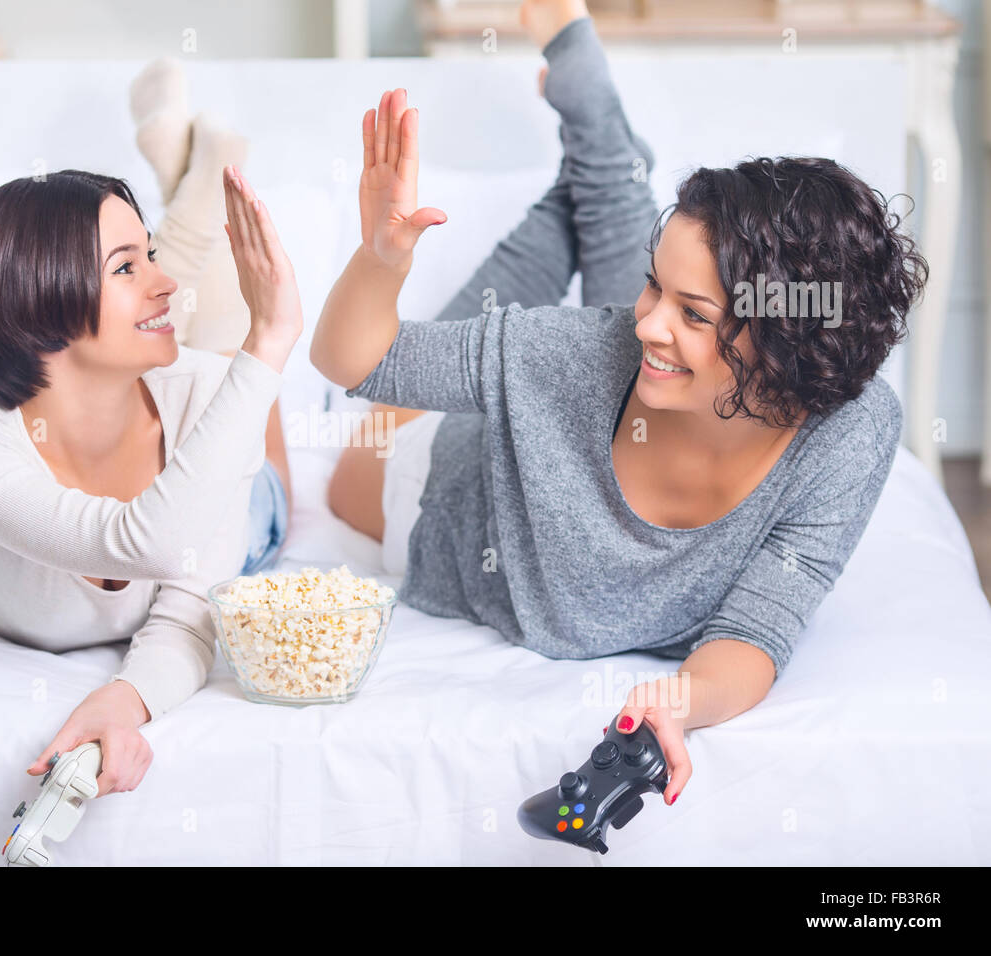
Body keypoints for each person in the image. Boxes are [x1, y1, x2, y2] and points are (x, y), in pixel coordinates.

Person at [312, 1, 927, 807]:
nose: (650, 321)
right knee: (379, 452)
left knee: (633, 342)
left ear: (793, 345)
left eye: (695, 311)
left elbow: (759, 627)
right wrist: (382, 256)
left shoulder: (853, 428)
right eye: (654, 285)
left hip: (631, 395)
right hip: (441, 480)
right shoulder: (584, 351)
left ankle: (600, 159)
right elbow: (357, 360)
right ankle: (601, 156)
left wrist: (679, 704)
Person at [0, 155, 303, 796]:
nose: (166, 280)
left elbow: (187, 616)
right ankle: (190, 187)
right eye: (126, 266)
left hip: (229, 495)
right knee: (227, 358)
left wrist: (264, 347)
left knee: (263, 464)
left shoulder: (207, 390)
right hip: (180, 454)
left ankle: (192, 188)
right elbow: (145, 543)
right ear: (35, 300)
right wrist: (261, 344)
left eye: (151, 255)